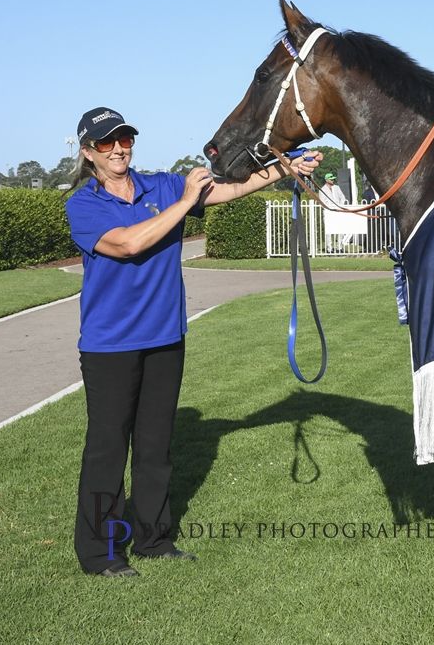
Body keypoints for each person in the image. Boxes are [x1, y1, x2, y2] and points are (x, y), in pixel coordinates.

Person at [65, 106, 321, 577]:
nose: (119, 149)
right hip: (110, 346)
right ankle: (101, 553)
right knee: (106, 449)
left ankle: (154, 540)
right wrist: (183, 204)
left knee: (155, 445)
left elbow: (231, 187)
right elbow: (127, 244)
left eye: (124, 139)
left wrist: (284, 168)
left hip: (165, 337)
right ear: (89, 153)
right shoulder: (83, 205)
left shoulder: (159, 185)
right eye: (107, 143)